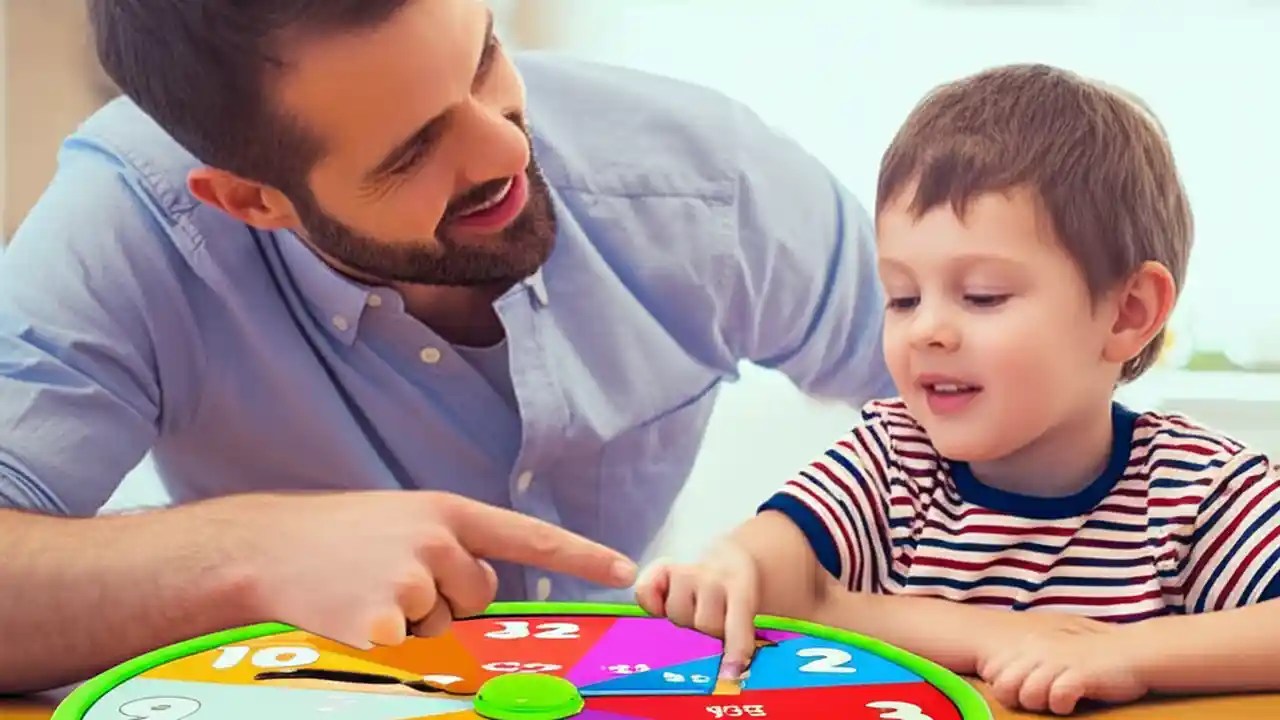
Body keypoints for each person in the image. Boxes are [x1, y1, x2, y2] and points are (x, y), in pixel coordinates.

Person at [0, 0, 893, 696]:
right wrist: (248, 558)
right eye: (414, 148)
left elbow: (1006, 419)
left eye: (485, 58)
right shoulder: (129, 225)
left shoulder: (705, 185)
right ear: (251, 200)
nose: (506, 143)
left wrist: (800, 558)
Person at [637, 63, 1280, 716]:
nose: (928, 331)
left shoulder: (1196, 488)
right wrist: (734, 565)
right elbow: (777, 571)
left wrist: (1125, 653)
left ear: (1128, 313)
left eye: (982, 296)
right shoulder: (893, 459)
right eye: (903, 298)